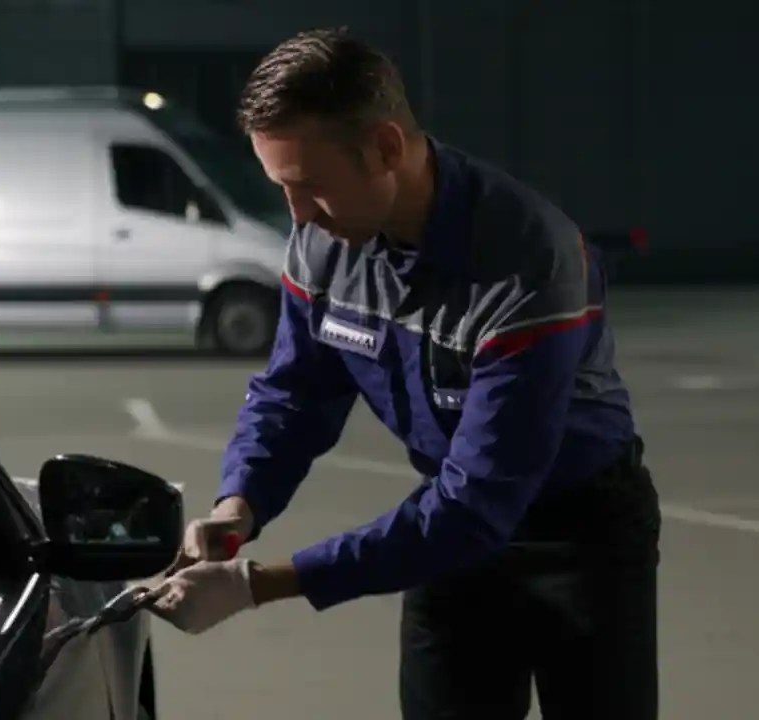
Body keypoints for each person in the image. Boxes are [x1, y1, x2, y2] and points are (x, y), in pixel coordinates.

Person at [148, 26, 662, 719]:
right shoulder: (322, 240)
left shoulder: (527, 258)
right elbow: (296, 392)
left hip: (579, 539)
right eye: (284, 189)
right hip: (446, 533)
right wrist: (239, 505)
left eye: (311, 187)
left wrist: (256, 585)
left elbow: (477, 504)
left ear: (387, 149)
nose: (297, 217)